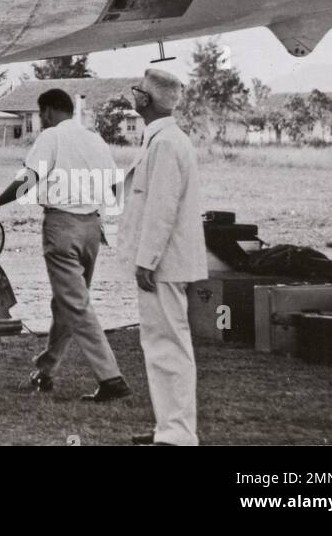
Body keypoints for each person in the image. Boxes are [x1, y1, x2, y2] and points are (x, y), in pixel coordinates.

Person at [0, 88, 130, 402]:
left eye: (41, 115)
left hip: (62, 225)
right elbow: (115, 187)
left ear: (48, 112)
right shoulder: (94, 139)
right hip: (92, 227)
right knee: (67, 302)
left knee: (75, 304)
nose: (42, 121)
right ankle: (46, 370)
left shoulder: (51, 137)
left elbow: (29, 180)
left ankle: (111, 378)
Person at [122, 69, 207, 446]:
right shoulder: (163, 139)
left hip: (164, 263)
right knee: (163, 345)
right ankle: (169, 428)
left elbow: (162, 207)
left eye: (137, 91)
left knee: (167, 346)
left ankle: (176, 435)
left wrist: (147, 259)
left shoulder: (166, 143)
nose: (134, 96)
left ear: (145, 100)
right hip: (165, 261)